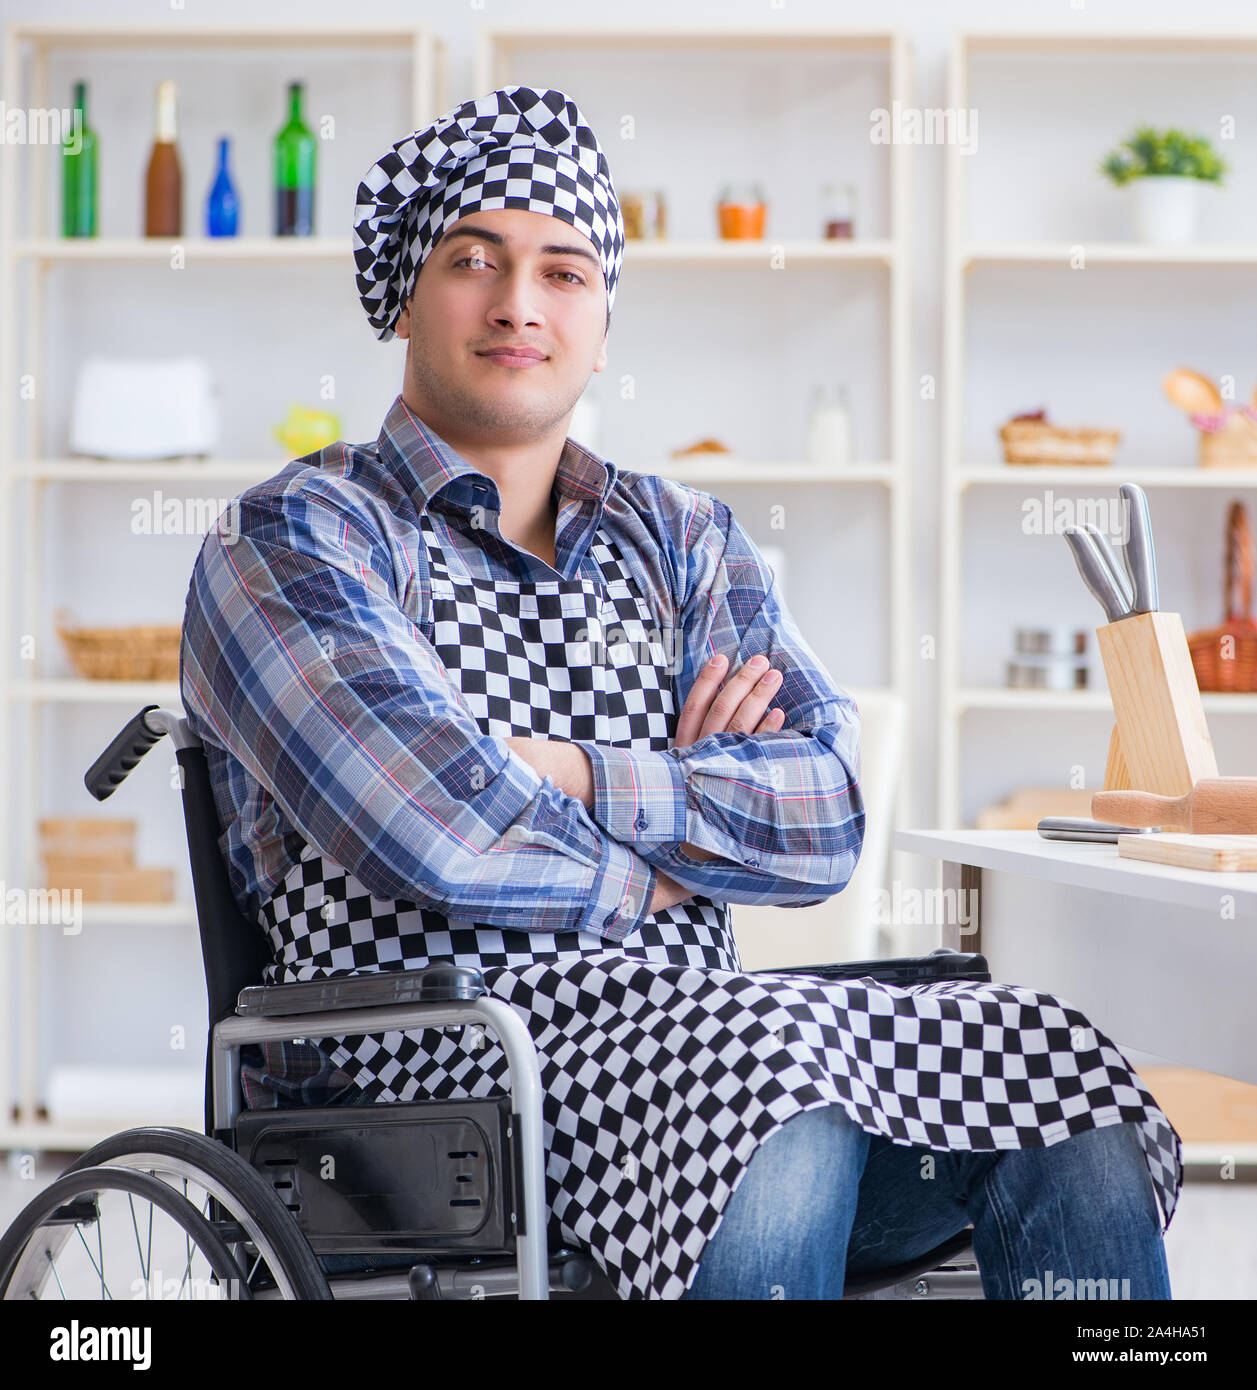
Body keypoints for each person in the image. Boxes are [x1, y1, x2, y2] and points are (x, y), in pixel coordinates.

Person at [180, 86, 1178, 1300]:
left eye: (562, 271)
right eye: (473, 262)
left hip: (690, 1055)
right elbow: (432, 826)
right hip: (421, 1084)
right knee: (768, 1073)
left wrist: (575, 772)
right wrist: (675, 854)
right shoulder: (298, 535)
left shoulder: (683, 537)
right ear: (403, 294)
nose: (518, 304)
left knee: (1045, 1061)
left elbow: (826, 814)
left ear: (604, 324)